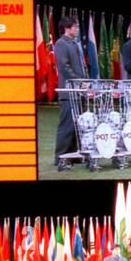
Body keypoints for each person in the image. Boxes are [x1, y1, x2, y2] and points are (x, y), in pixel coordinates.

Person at [53, 16, 86, 165]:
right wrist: (79, 82)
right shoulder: (61, 43)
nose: (78, 29)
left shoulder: (74, 44)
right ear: (67, 28)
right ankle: (61, 158)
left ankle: (74, 156)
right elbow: (63, 67)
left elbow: (81, 66)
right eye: (76, 27)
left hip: (79, 92)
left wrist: (85, 82)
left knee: (78, 125)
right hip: (68, 91)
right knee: (67, 126)